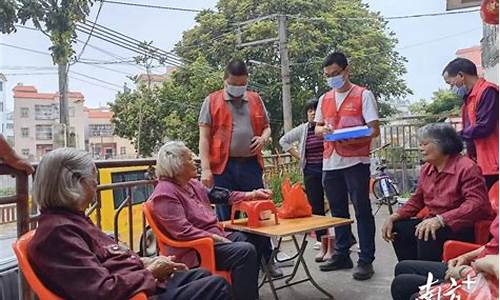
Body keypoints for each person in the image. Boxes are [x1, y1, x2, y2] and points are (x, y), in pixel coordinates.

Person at [28, 148, 231, 300]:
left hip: (136, 283)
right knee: (216, 286)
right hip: (133, 294)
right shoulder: (58, 233)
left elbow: (105, 259)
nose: (96, 185)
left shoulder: (72, 220)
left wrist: (145, 262)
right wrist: (150, 272)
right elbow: (101, 291)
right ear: (76, 182)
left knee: (201, 275)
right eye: (93, 179)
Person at [148, 141, 283, 300]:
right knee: (245, 251)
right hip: (196, 248)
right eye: (190, 159)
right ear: (177, 165)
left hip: (215, 238)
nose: (195, 162)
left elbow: (220, 195)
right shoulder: (165, 193)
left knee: (255, 238)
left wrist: (252, 194)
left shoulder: (191, 184)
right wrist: (214, 238)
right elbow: (182, 231)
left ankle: (241, 291)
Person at [382, 123, 495, 262]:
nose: (420, 148)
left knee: (427, 232)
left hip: (463, 224)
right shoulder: (427, 169)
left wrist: (442, 219)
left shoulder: (467, 167)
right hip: (435, 221)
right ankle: (410, 271)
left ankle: (429, 277)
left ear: (443, 144)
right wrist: (393, 217)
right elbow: (417, 200)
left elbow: (476, 204)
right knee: (399, 228)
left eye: (424, 144)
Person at [314, 52, 380, 280]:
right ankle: (342, 254)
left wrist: (353, 135)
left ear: (346, 71)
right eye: (328, 75)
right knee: (338, 212)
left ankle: (366, 259)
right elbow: (317, 128)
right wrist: (321, 130)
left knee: (362, 210)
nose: (332, 78)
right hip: (331, 162)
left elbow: (374, 129)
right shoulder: (324, 99)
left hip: (356, 161)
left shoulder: (363, 95)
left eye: (335, 74)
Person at [198, 58, 271, 221]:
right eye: (234, 83)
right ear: (225, 80)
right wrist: (206, 169)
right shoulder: (211, 101)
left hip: (251, 164)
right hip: (224, 167)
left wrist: (263, 138)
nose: (238, 88)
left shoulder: (255, 99)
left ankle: (261, 246)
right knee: (226, 212)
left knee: (257, 209)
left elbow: (267, 127)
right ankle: (233, 245)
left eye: (242, 84)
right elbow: (204, 138)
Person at [391, 215, 499, 300]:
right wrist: (466, 257)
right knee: (403, 267)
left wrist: (464, 272)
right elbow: (494, 244)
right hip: (477, 272)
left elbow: (475, 204)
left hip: (485, 283)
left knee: (403, 286)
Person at [279, 98, 328, 254]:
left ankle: (345, 238)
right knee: (316, 205)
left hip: (329, 169)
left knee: (336, 203)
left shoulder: (326, 127)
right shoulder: (303, 129)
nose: (313, 112)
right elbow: (284, 141)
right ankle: (322, 239)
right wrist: (299, 157)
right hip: (310, 170)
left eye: (315, 109)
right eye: (309, 110)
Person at [442, 57, 499, 189]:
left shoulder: (488, 92)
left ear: (461, 75)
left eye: (451, 83)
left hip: (494, 162)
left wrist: (455, 136)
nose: (452, 88)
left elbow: (484, 127)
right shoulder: (469, 100)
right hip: (481, 161)